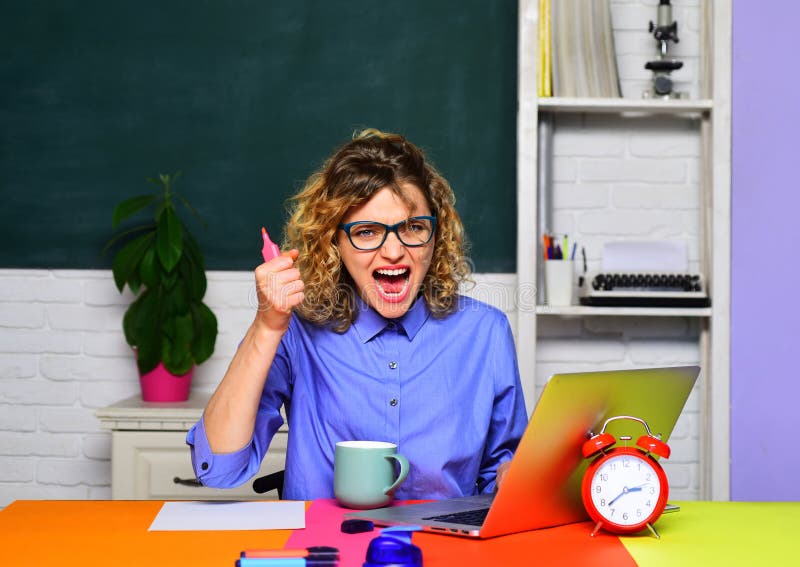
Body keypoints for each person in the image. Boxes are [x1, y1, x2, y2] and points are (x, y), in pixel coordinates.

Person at [186, 128, 527, 500]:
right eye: (366, 232)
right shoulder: (298, 330)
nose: (394, 251)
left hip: (442, 548)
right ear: (334, 241)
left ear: (437, 234)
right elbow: (218, 469)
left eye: (414, 227)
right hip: (322, 550)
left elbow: (503, 470)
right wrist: (266, 327)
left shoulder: (486, 333)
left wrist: (518, 474)